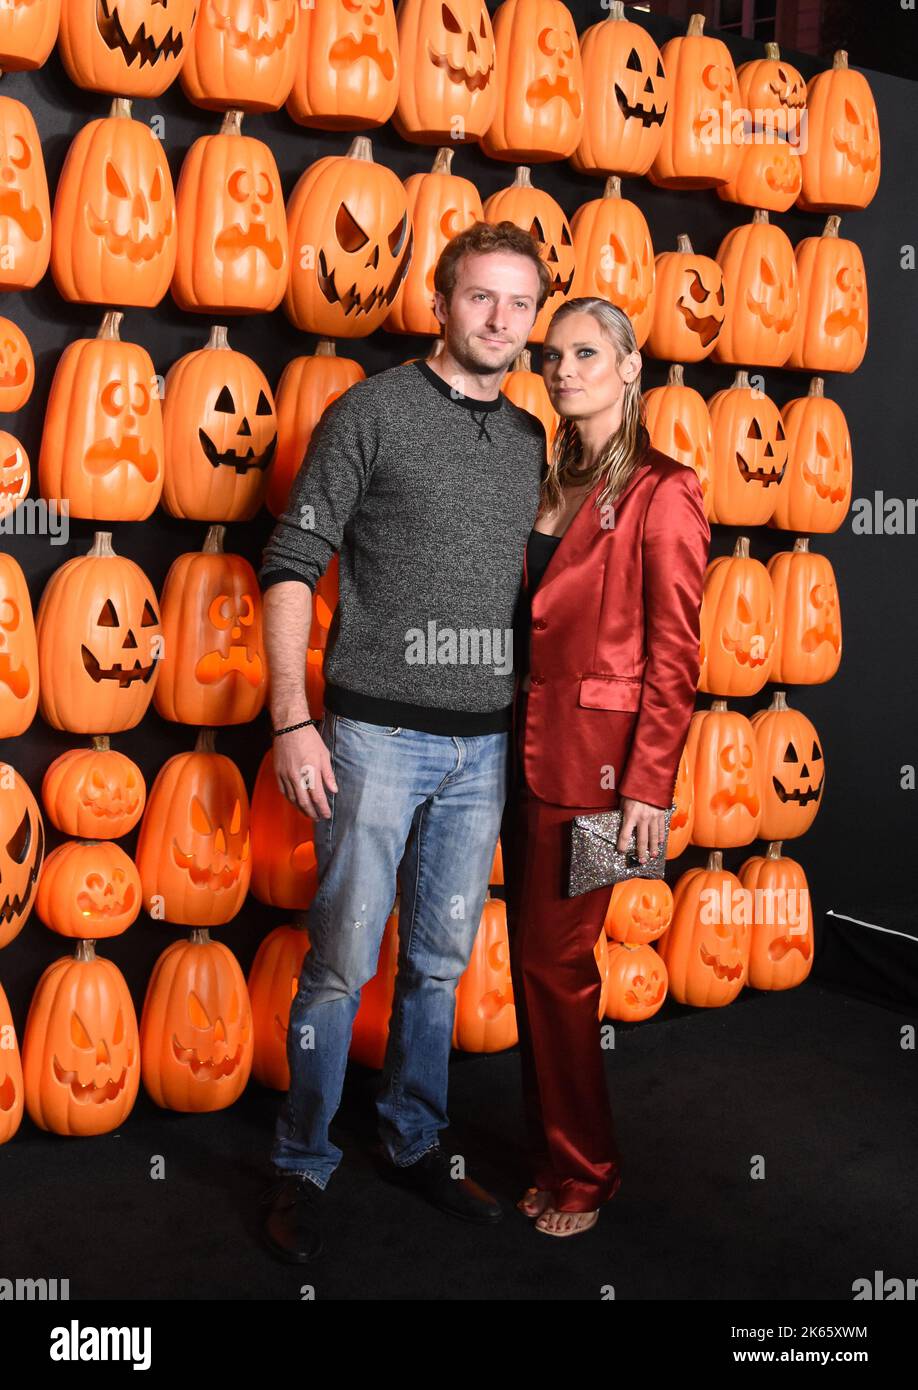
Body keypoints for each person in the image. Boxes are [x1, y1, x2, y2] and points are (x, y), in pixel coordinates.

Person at [256, 221, 551, 1263]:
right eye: (482, 298)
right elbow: (291, 563)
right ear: (440, 300)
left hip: (483, 750)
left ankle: (414, 1140)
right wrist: (294, 718)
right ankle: (300, 1164)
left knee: (438, 963)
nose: (500, 320)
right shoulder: (370, 412)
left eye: (519, 303)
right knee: (337, 966)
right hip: (374, 737)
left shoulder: (528, 441)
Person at [500, 296, 710, 1239]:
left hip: (594, 772)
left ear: (632, 370)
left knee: (559, 966)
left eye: (587, 353)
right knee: (534, 964)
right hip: (507, 751)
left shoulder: (666, 490)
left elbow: (675, 655)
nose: (563, 369)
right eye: (552, 355)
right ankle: (554, 1152)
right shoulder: (543, 481)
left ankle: (587, 1172)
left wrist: (648, 787)